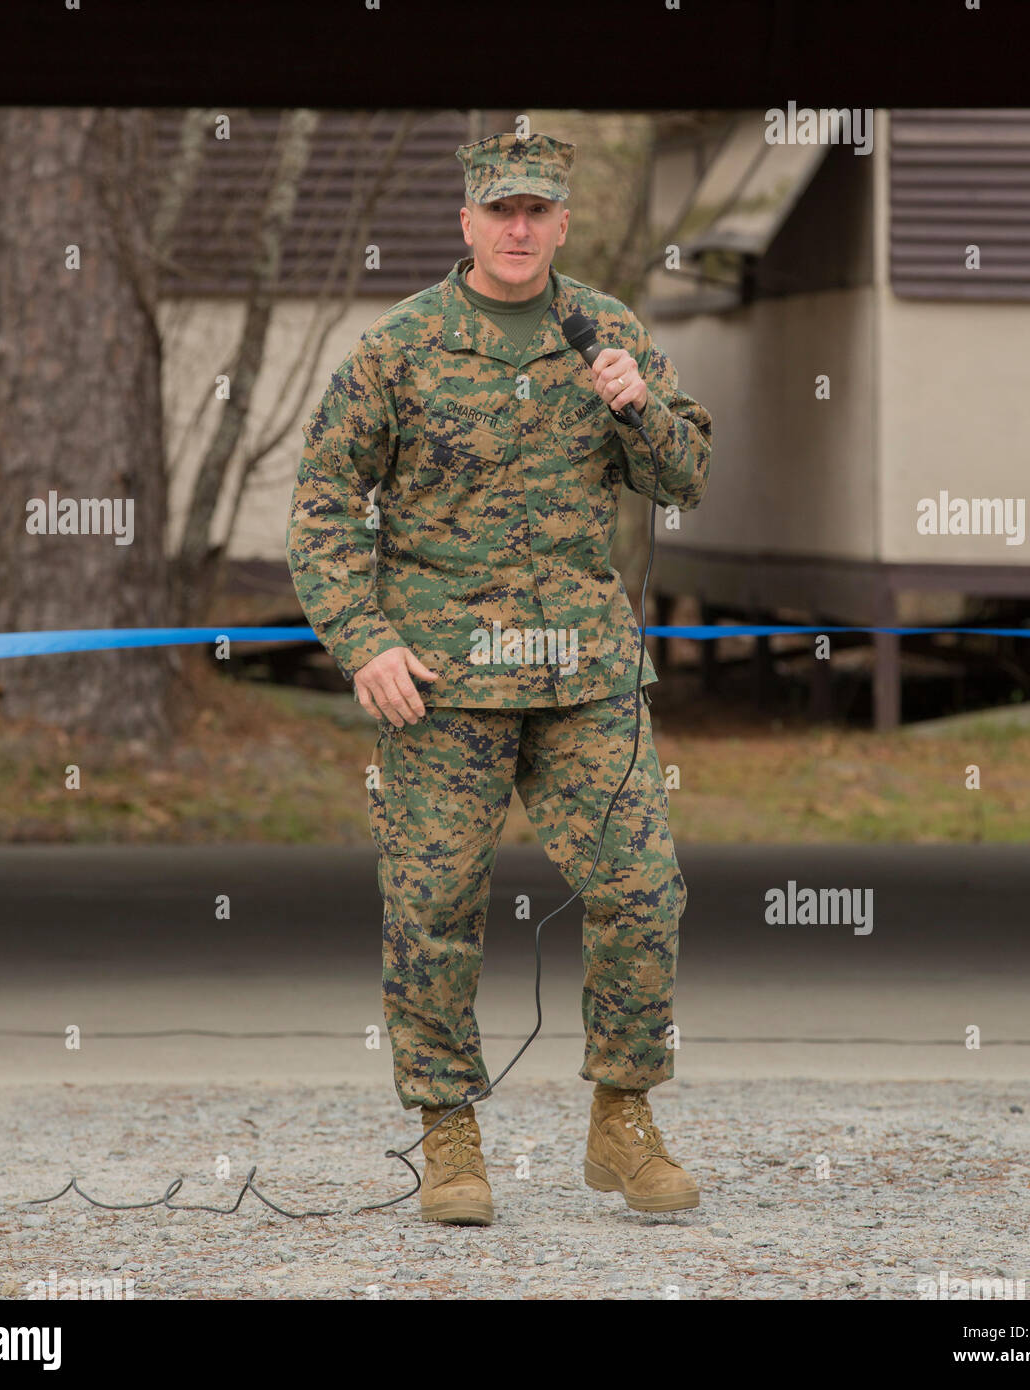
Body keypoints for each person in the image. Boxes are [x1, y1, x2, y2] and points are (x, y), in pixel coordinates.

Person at [287, 131, 712, 1226]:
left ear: (562, 224)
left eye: (537, 211)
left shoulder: (607, 332)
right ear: (467, 224)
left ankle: (621, 1121)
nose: (518, 228)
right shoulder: (403, 347)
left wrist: (638, 408)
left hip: (582, 675)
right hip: (441, 680)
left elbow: (685, 479)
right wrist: (364, 640)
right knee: (431, 908)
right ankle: (448, 1137)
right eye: (499, 210)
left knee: (640, 890)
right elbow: (325, 503)